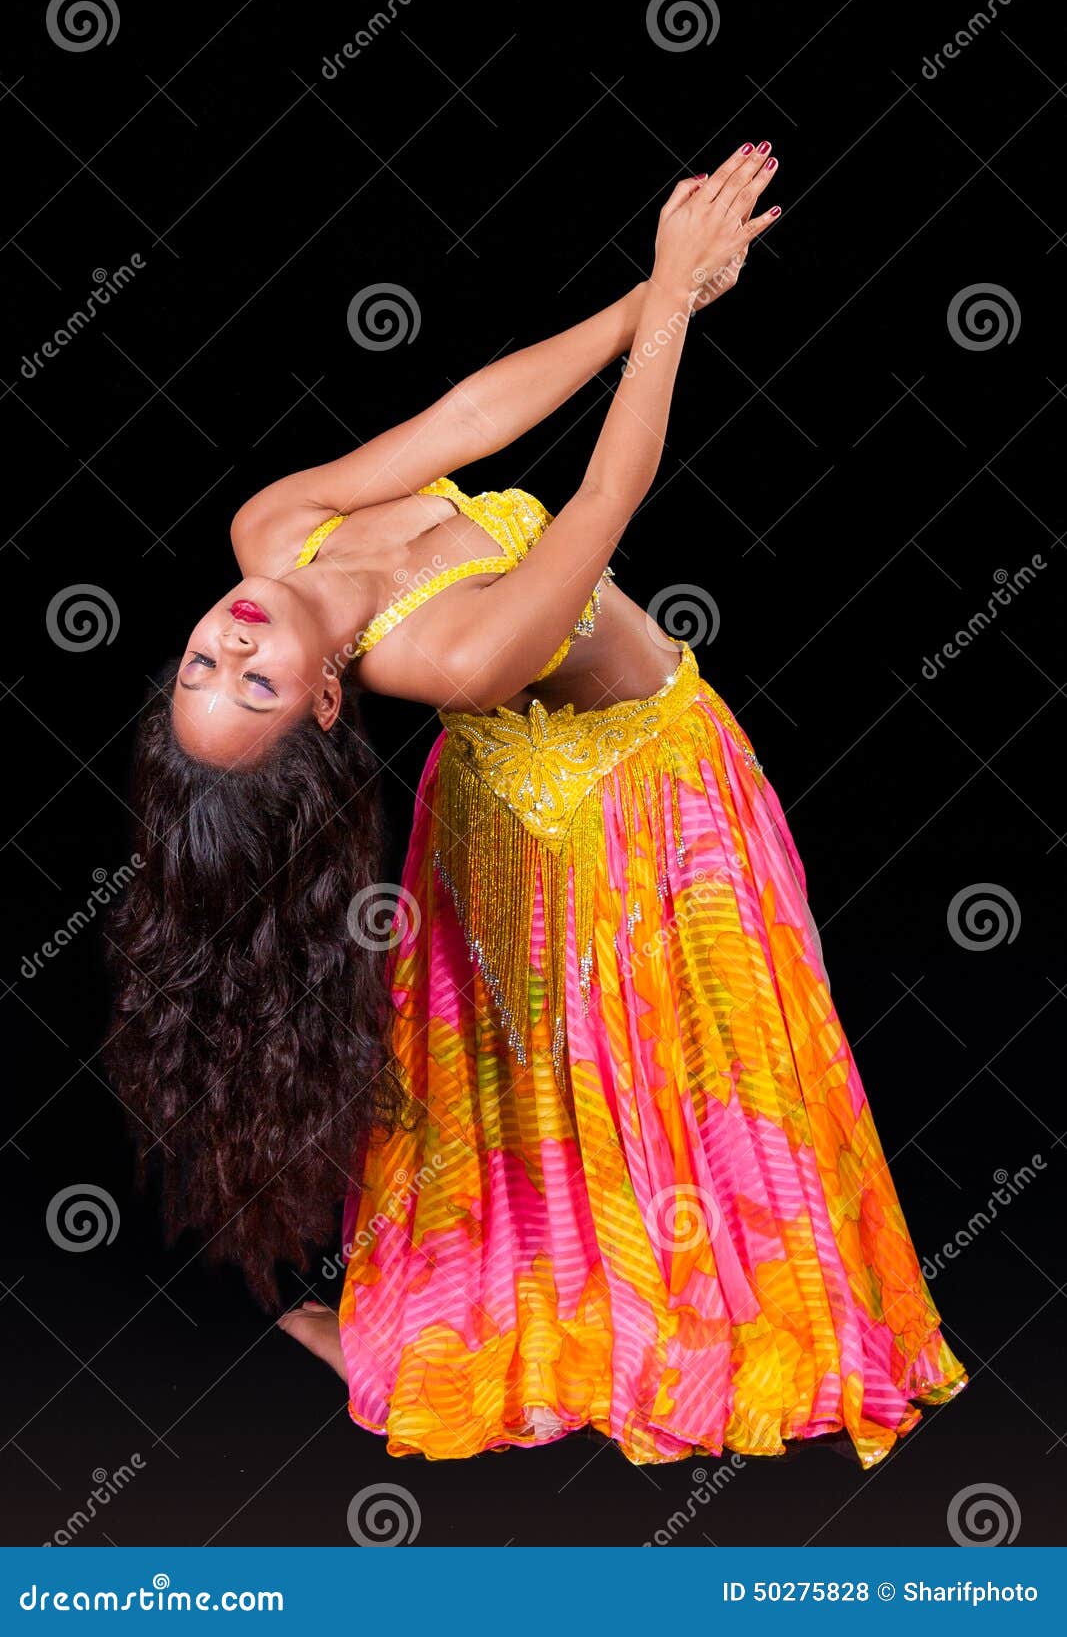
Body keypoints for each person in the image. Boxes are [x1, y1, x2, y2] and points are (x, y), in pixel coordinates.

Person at [109, 142, 966, 1468]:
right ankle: (531, 1328)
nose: (228, 639)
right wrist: (674, 307)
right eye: (255, 677)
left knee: (613, 1085)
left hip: (540, 784)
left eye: (207, 665)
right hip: (641, 799)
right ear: (328, 703)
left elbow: (463, 423)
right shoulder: (441, 657)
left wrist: (655, 289)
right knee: (556, 1101)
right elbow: (605, 499)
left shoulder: (271, 530)